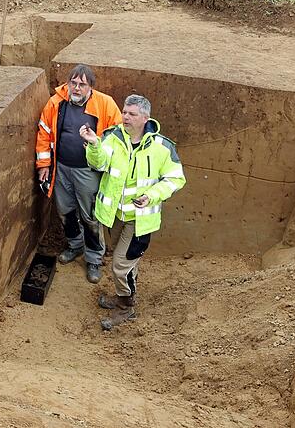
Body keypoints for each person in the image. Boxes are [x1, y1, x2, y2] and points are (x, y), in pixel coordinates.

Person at [80, 94, 186, 330]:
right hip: (115, 216)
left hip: (140, 220)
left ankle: (126, 307)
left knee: (119, 265)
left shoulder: (162, 147)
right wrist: (94, 145)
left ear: (145, 118)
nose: (125, 117)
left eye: (131, 114)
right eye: (124, 112)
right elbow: (99, 164)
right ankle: (123, 296)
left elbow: (176, 178)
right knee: (126, 264)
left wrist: (152, 195)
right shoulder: (112, 137)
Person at [35, 64, 122, 283]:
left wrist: (97, 145)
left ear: (90, 87)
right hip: (62, 169)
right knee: (65, 210)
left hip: (88, 172)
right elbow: (44, 133)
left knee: (90, 216)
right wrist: (44, 165)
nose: (76, 88)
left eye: (82, 84)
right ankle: (75, 245)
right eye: (73, 83)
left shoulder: (105, 104)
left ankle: (93, 258)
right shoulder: (57, 102)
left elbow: (117, 138)